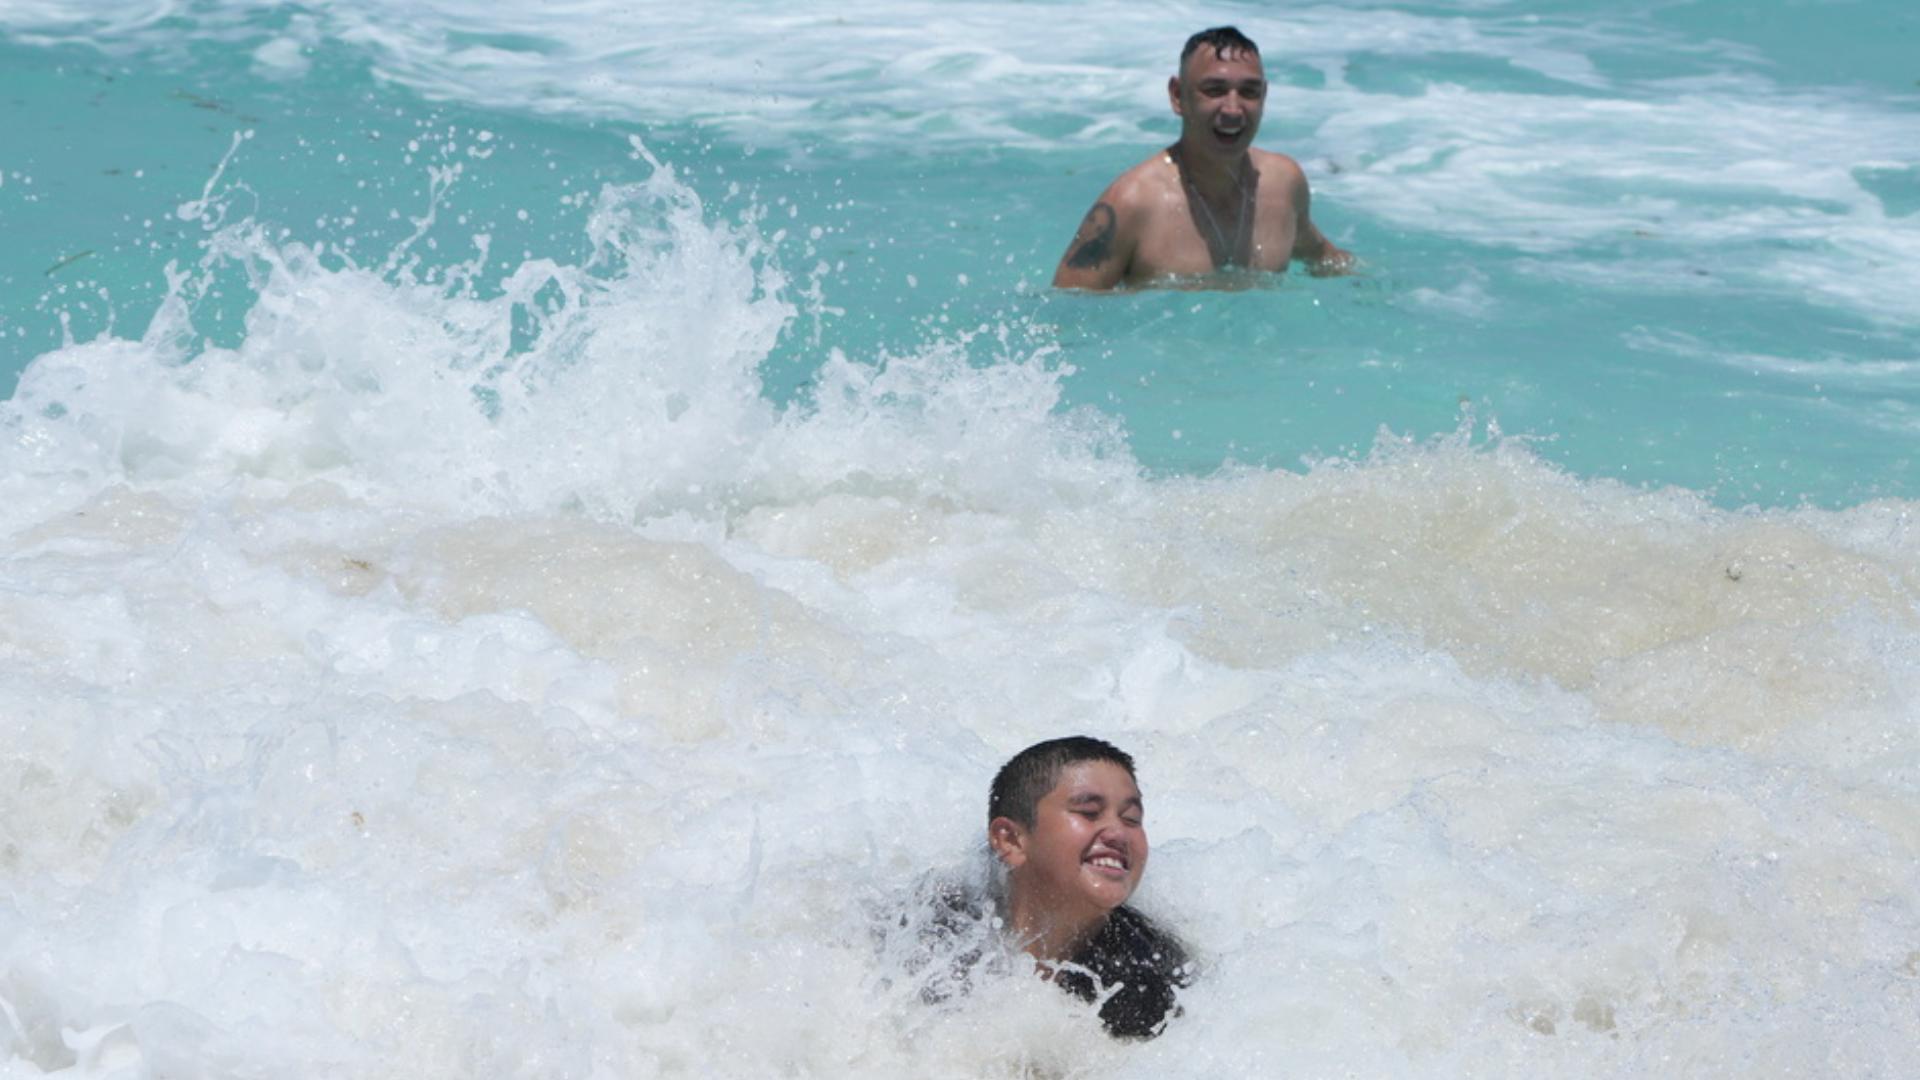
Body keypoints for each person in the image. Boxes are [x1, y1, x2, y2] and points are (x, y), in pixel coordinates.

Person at [1052, 26, 1354, 290]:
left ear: (1264, 96)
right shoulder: (1134, 202)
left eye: (1249, 92)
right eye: (1214, 90)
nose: (1233, 110)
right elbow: (1063, 316)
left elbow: (1324, 259)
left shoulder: (1284, 183)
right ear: (1177, 96)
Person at [985, 736, 1191, 1038]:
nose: (1119, 833)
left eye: (1132, 819)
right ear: (1011, 840)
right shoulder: (932, 933)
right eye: (1089, 813)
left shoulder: (1152, 981)